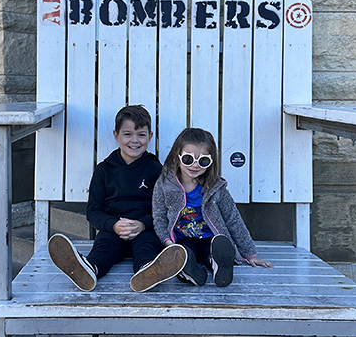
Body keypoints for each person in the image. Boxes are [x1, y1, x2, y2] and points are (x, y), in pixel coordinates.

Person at [48, 104, 187, 292]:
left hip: (145, 228)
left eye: (141, 134)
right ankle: (88, 269)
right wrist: (113, 225)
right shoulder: (104, 170)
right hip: (113, 228)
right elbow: (93, 211)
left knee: (147, 247)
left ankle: (147, 272)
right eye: (127, 134)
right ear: (116, 135)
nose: (135, 141)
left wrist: (143, 224)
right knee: (104, 248)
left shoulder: (155, 170)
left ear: (150, 136)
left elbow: (164, 209)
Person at [153, 127, 273, 287]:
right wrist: (168, 243)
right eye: (188, 159)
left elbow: (233, 219)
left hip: (213, 239)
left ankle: (217, 264)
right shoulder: (164, 185)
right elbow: (159, 217)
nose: (195, 165)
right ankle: (191, 272)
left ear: (211, 162)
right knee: (183, 257)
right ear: (177, 156)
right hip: (183, 241)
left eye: (203, 160)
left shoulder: (216, 188)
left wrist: (250, 254)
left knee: (217, 250)